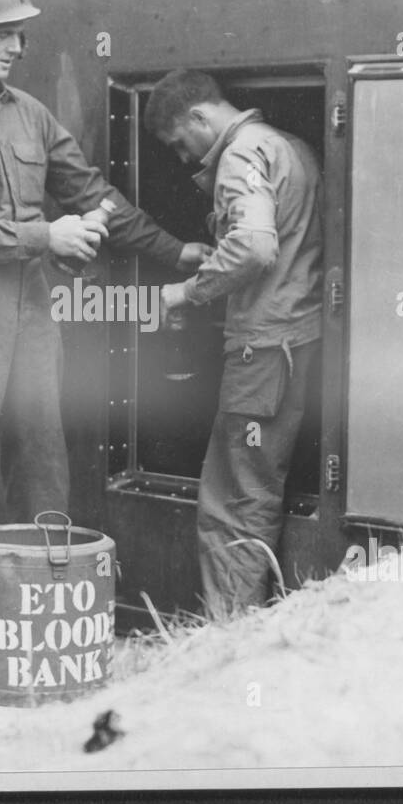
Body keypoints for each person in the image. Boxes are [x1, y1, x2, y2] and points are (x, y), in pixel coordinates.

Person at [0, 0, 210, 671]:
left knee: (41, 448)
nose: (16, 47)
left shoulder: (29, 114)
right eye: (3, 32)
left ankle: (34, 597)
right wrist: (48, 236)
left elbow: (93, 193)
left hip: (29, 302)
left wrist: (175, 249)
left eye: (21, 35)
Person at [144, 70, 325, 619]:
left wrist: (185, 293)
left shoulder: (239, 157)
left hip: (264, 348)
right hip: (296, 337)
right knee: (256, 489)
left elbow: (251, 245)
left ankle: (227, 636)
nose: (181, 158)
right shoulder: (286, 146)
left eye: (180, 142)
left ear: (201, 117)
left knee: (232, 502)